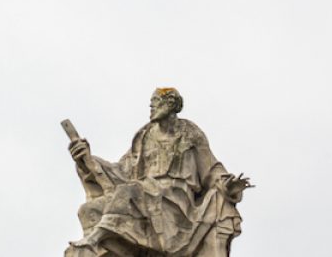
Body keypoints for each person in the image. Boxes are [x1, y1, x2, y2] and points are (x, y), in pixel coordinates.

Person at [65, 88, 251, 257]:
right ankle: (98, 249)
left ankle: (95, 238)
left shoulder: (190, 134)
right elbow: (122, 170)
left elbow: (211, 169)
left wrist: (228, 185)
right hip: (143, 196)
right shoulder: (144, 135)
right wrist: (88, 160)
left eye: (155, 101)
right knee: (89, 210)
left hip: (175, 200)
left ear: (170, 104)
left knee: (130, 191)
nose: (151, 106)